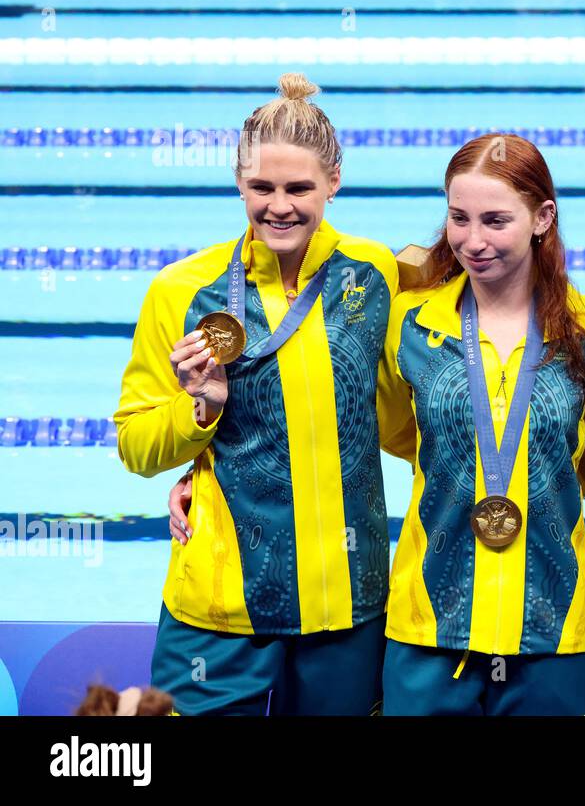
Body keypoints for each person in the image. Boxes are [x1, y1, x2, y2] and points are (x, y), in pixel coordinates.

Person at [114, 73, 397, 715]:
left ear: (334, 180)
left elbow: (410, 406)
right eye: (261, 187)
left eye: (299, 187)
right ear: (238, 183)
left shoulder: (374, 273)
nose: (280, 206)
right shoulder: (182, 290)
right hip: (220, 603)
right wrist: (201, 411)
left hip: (345, 599)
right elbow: (134, 444)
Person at [376, 133, 585, 715]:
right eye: (459, 218)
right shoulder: (411, 325)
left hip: (554, 631)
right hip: (430, 626)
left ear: (542, 218)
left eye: (495, 221)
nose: (473, 241)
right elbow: (393, 435)